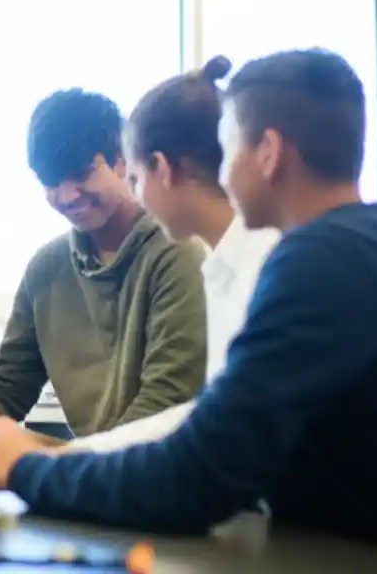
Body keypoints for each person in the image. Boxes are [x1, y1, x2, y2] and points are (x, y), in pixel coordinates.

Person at [0, 49, 377, 564]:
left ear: (269, 154)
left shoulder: (319, 265)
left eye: (226, 152)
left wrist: (26, 469)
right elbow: (208, 427)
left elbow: (200, 479)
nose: (219, 176)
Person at [0, 88, 207, 444]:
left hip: (164, 479)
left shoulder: (179, 254)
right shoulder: (48, 269)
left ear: (123, 159)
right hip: (96, 476)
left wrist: (31, 454)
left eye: (81, 174)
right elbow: (6, 392)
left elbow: (162, 411)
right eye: (50, 182)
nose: (66, 196)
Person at [64, 56, 280, 453]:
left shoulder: (268, 268)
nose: (135, 195)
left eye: (134, 179)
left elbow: (226, 430)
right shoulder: (224, 264)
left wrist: (57, 460)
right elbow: (204, 415)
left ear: (160, 168)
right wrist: (64, 457)